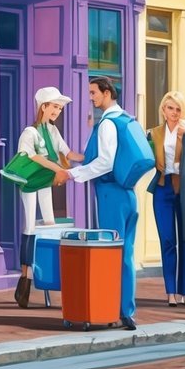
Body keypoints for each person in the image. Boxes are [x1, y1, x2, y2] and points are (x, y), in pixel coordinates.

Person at [54, 76, 137, 330]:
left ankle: (113, 310)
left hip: (110, 193)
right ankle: (125, 309)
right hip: (128, 195)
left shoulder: (108, 124)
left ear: (107, 92)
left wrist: (72, 174)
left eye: (93, 93)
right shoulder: (127, 119)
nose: (90, 97)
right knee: (127, 254)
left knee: (111, 254)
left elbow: (105, 162)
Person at [12, 87, 85, 308]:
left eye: (60, 108)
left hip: (45, 183)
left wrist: (92, 158)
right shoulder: (30, 132)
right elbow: (30, 156)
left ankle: (46, 274)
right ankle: (25, 276)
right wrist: (56, 168)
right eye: (55, 106)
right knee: (30, 228)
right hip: (30, 183)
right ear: (43, 106)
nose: (57, 111)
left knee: (50, 224)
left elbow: (68, 153)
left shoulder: (53, 132)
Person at [147, 91, 185, 307]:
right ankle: (171, 292)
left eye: (178, 109)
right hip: (162, 189)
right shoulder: (154, 133)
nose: (174, 113)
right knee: (167, 241)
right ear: (163, 110)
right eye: (170, 108)